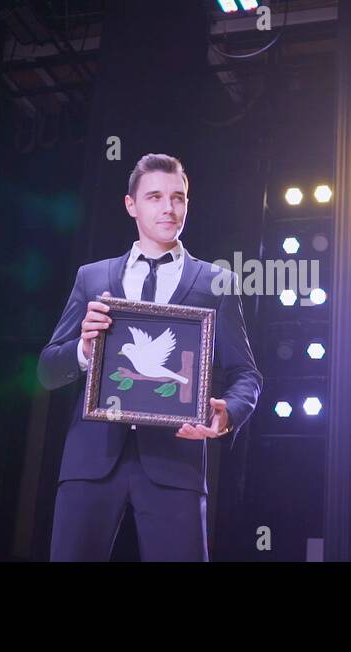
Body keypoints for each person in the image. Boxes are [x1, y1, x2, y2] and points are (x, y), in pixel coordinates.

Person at [38, 153, 262, 561]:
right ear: (131, 205)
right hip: (91, 461)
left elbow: (246, 374)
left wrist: (225, 412)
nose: (169, 208)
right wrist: (84, 351)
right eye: (155, 197)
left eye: (178, 198)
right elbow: (48, 369)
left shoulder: (217, 282)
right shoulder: (92, 277)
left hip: (176, 463)